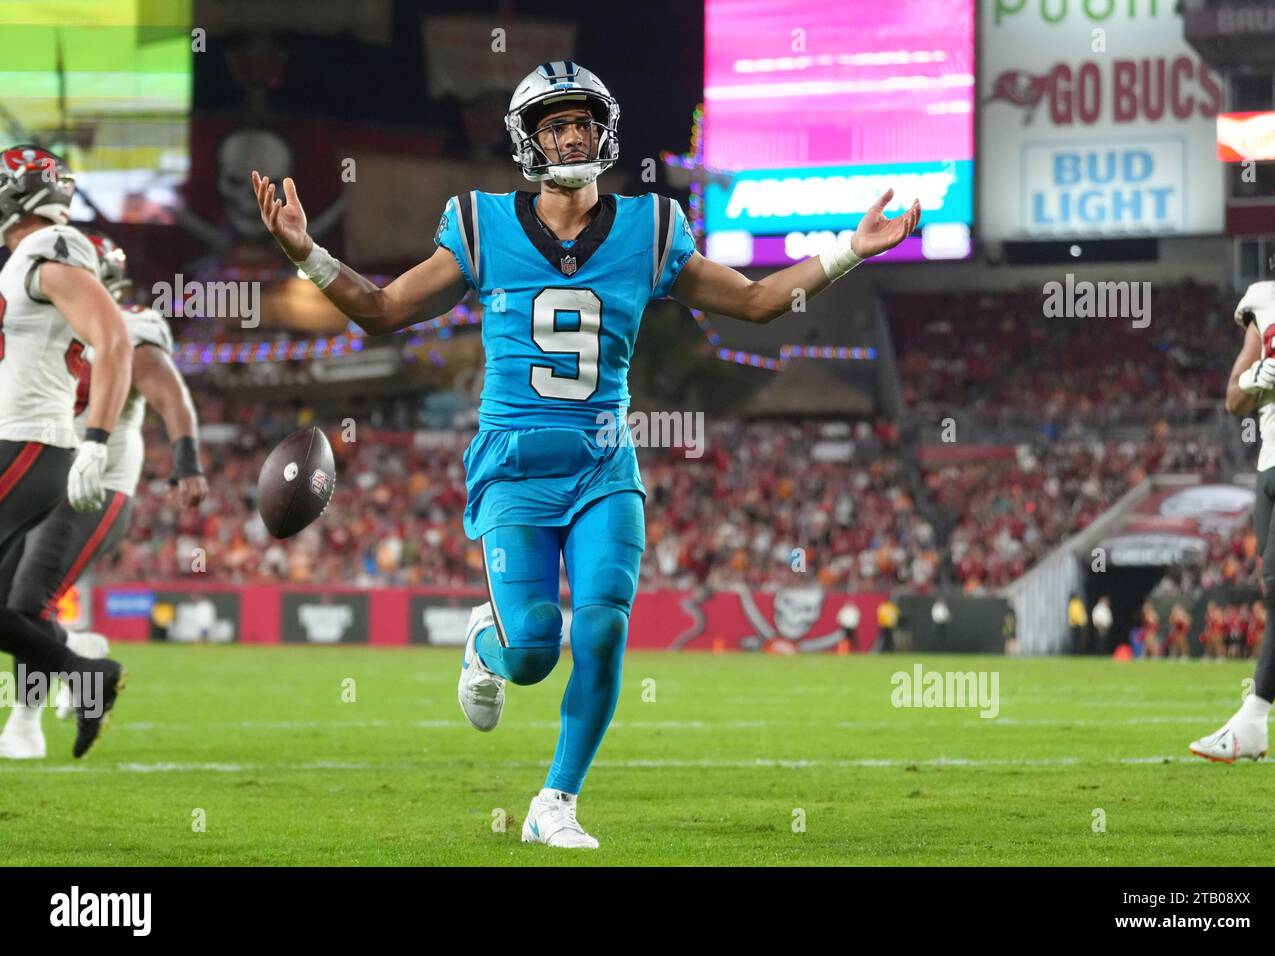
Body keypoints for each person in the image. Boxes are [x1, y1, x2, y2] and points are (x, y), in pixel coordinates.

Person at [251, 61, 921, 846]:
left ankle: (555, 802)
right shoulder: (482, 223)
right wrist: (305, 253)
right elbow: (384, 310)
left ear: (604, 130)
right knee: (534, 649)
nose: (571, 134)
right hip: (512, 468)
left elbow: (757, 301)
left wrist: (852, 248)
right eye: (553, 123)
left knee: (601, 628)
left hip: (604, 465)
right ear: (526, 140)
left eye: (582, 120)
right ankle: (486, 643)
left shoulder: (649, 229)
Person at [0, 231, 207, 758]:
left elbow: (172, 397)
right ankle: (80, 654)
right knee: (14, 604)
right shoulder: (53, 326)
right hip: (51, 472)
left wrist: (185, 461)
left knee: (26, 601)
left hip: (100, 486)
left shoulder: (125, 328)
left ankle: (28, 719)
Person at [0, 145, 132, 757]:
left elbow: (112, 339)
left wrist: (97, 441)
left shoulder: (48, 248)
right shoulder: (28, 257)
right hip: (25, 440)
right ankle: (87, 673)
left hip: (30, 442)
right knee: (7, 610)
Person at [1192, 218, 1275, 761]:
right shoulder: (1265, 302)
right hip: (1271, 465)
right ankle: (1254, 727)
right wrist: (1255, 381)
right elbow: (1233, 399)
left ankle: (1253, 721)